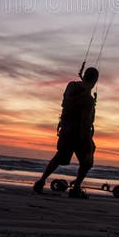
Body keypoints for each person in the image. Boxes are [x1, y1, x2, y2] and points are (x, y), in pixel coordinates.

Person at [33, 66, 99, 199]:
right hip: (79, 133)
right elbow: (85, 122)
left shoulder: (71, 86)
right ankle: (76, 188)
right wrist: (87, 143)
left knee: (59, 157)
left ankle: (41, 181)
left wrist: (85, 87)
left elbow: (68, 101)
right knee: (87, 161)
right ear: (95, 80)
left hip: (66, 130)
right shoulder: (88, 99)